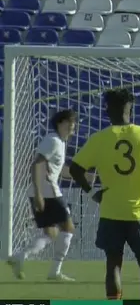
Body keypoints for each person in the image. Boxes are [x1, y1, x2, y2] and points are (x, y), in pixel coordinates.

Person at [69, 89, 140, 300]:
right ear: (131, 109)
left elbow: (75, 169)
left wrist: (93, 193)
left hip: (111, 210)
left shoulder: (99, 138)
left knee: (113, 264)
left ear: (108, 110)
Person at [8, 109, 83, 281]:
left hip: (41, 191)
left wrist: (83, 176)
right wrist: (39, 195)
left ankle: (21, 256)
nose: (72, 125)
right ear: (59, 123)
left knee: (50, 234)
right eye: (68, 121)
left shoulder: (59, 142)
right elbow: (36, 165)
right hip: (47, 192)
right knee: (68, 228)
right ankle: (54, 272)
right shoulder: (53, 140)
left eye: (74, 121)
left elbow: (57, 170)